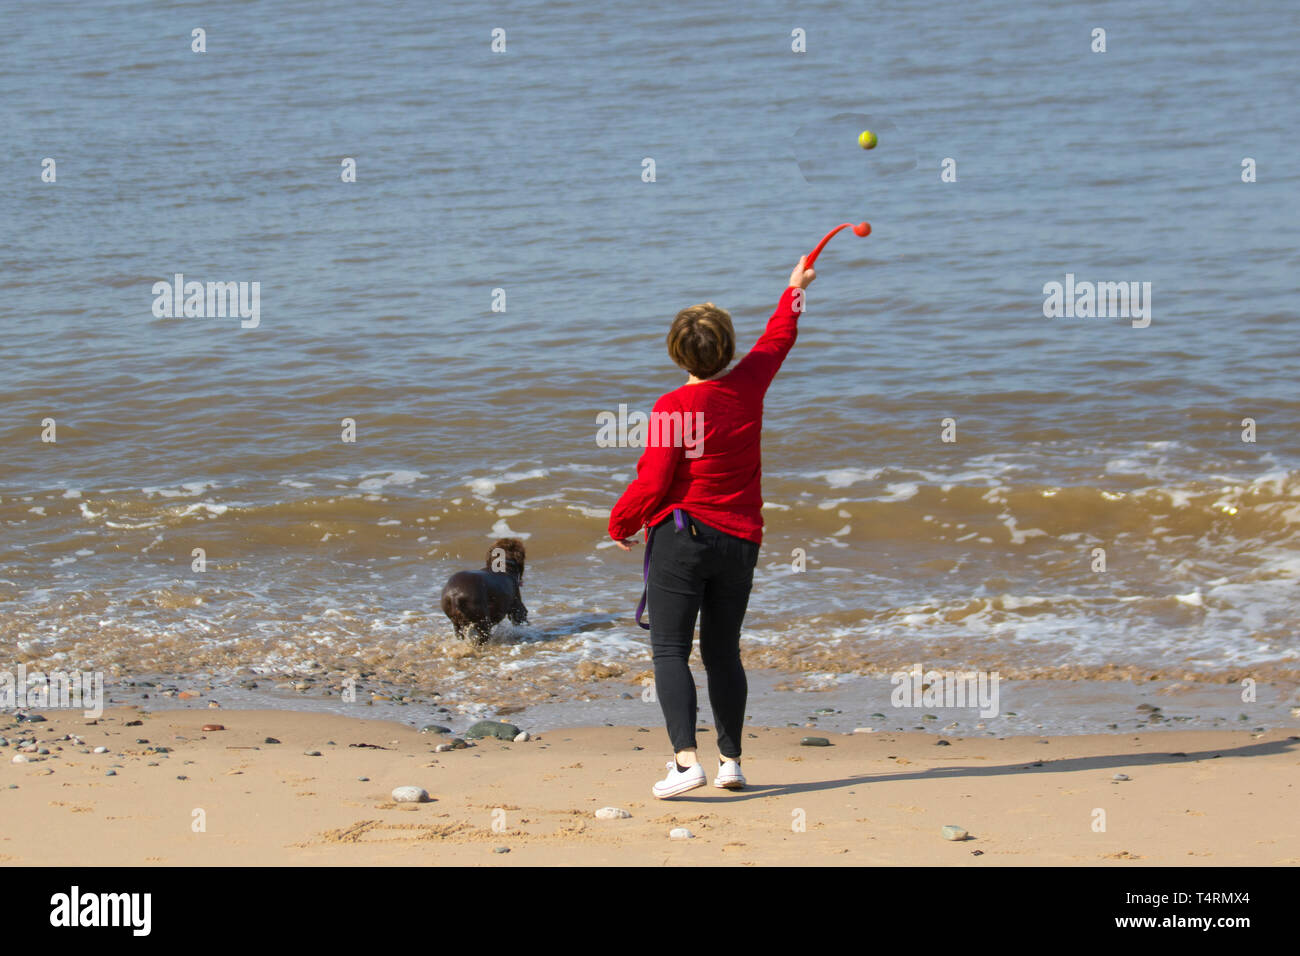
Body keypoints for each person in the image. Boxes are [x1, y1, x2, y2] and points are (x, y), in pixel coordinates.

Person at [608, 255, 817, 798]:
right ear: (727, 349)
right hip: (741, 540)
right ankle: (731, 762)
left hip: (683, 538)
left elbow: (653, 485)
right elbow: (778, 339)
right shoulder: (749, 384)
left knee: (671, 651)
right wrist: (794, 290)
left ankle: (684, 763)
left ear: (677, 353)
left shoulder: (673, 406)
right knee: (724, 651)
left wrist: (619, 523)